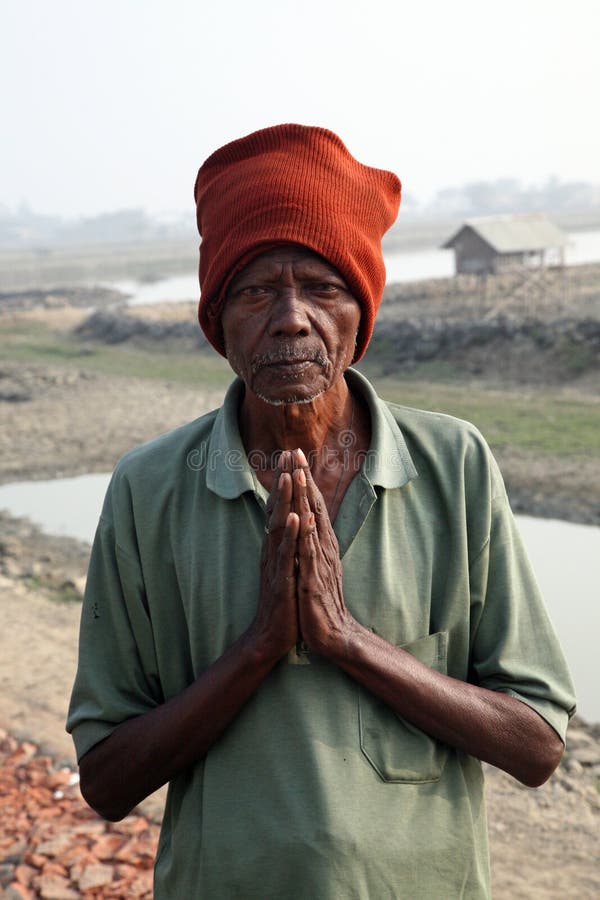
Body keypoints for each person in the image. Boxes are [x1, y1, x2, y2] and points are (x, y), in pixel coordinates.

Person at [67, 124, 576, 899]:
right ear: (219, 321)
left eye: (323, 287)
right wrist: (259, 649)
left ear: (360, 311)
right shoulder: (149, 490)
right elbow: (105, 781)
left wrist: (347, 641)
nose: (292, 317)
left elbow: (537, 745)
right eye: (256, 291)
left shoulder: (456, 466)